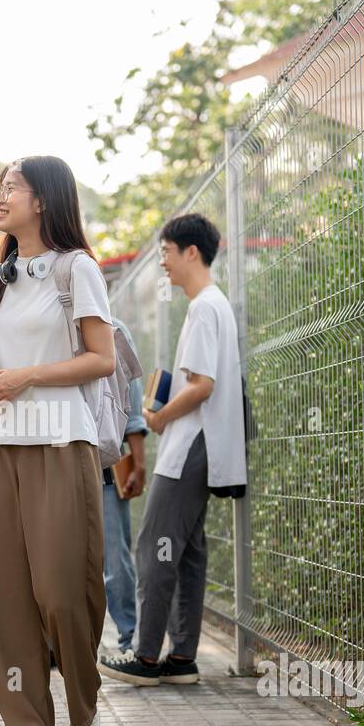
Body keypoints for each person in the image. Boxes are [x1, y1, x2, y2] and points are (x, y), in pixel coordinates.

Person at [0, 156, 116, 726]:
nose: (0, 197)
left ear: (44, 199)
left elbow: (100, 358)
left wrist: (28, 376)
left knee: (61, 588)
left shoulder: (77, 270)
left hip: (59, 442)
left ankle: (84, 714)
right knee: (8, 594)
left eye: (12, 187)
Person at [98, 212, 246, 686]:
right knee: (186, 550)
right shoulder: (212, 304)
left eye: (166, 251)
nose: (162, 262)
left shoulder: (205, 306)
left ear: (191, 252)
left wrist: (160, 416)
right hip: (205, 444)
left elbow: (202, 385)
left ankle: (145, 656)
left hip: (191, 446)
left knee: (154, 545)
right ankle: (181, 658)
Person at [102, 319, 147, 651]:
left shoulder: (115, 330)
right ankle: (57, 643)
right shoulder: (49, 330)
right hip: (59, 466)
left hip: (107, 468)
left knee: (116, 562)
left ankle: (130, 639)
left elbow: (132, 406)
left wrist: (139, 463)